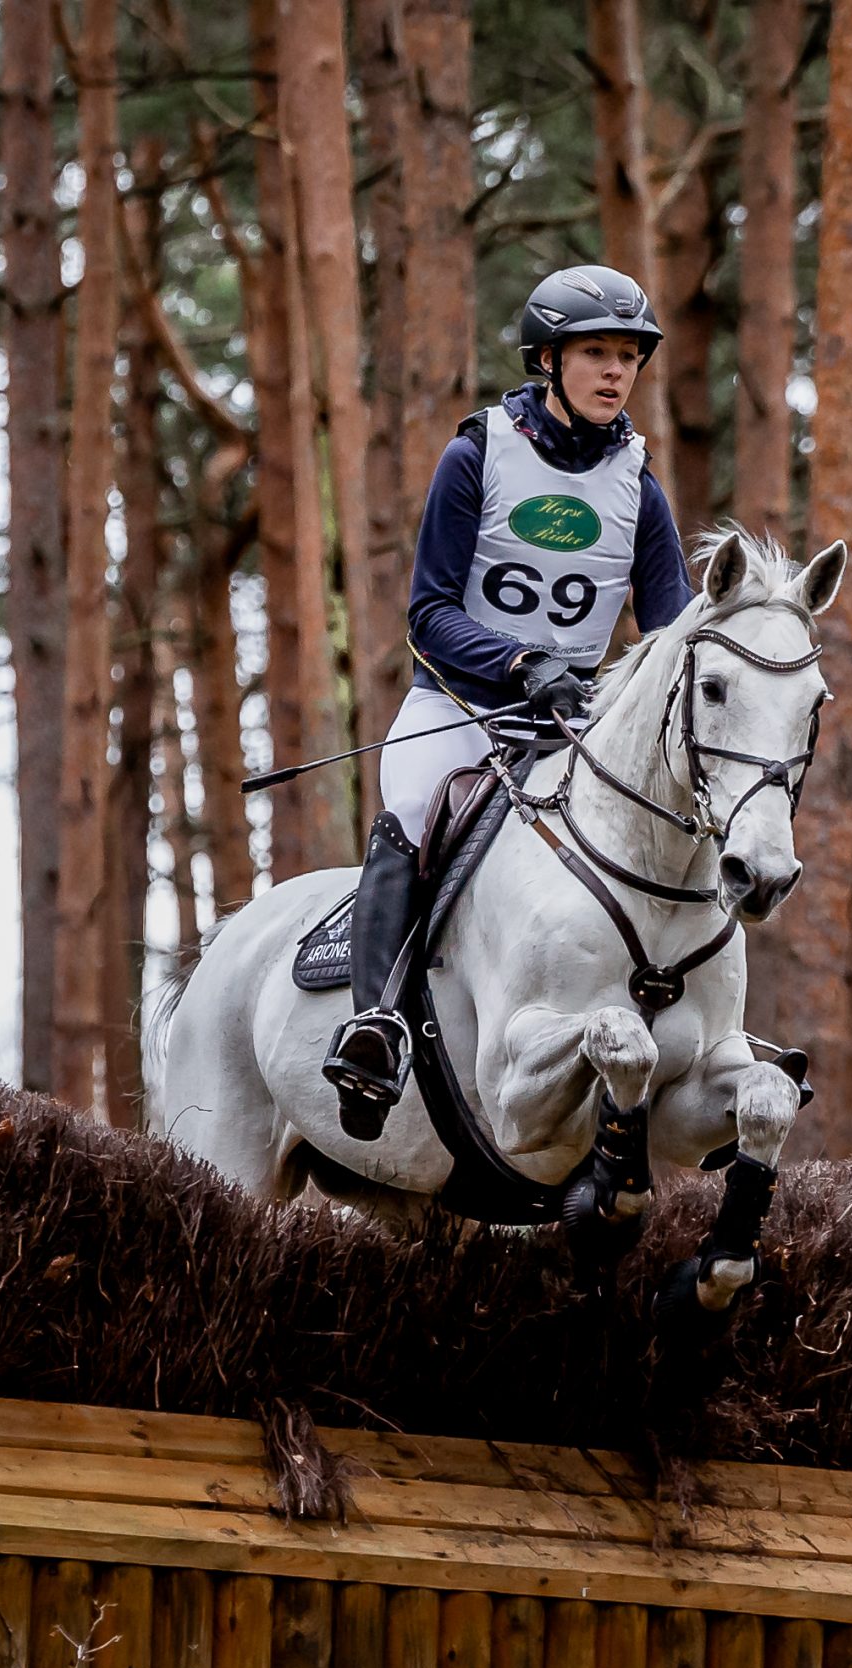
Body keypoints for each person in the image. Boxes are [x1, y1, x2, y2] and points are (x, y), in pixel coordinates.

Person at [322, 264, 692, 1140]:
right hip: (461, 704)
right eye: (595, 354)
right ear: (548, 362)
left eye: (628, 357)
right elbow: (428, 615)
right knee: (409, 808)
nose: (615, 373)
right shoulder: (476, 455)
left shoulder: (639, 487)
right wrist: (522, 661)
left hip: (575, 724)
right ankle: (373, 1024)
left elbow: (671, 627)